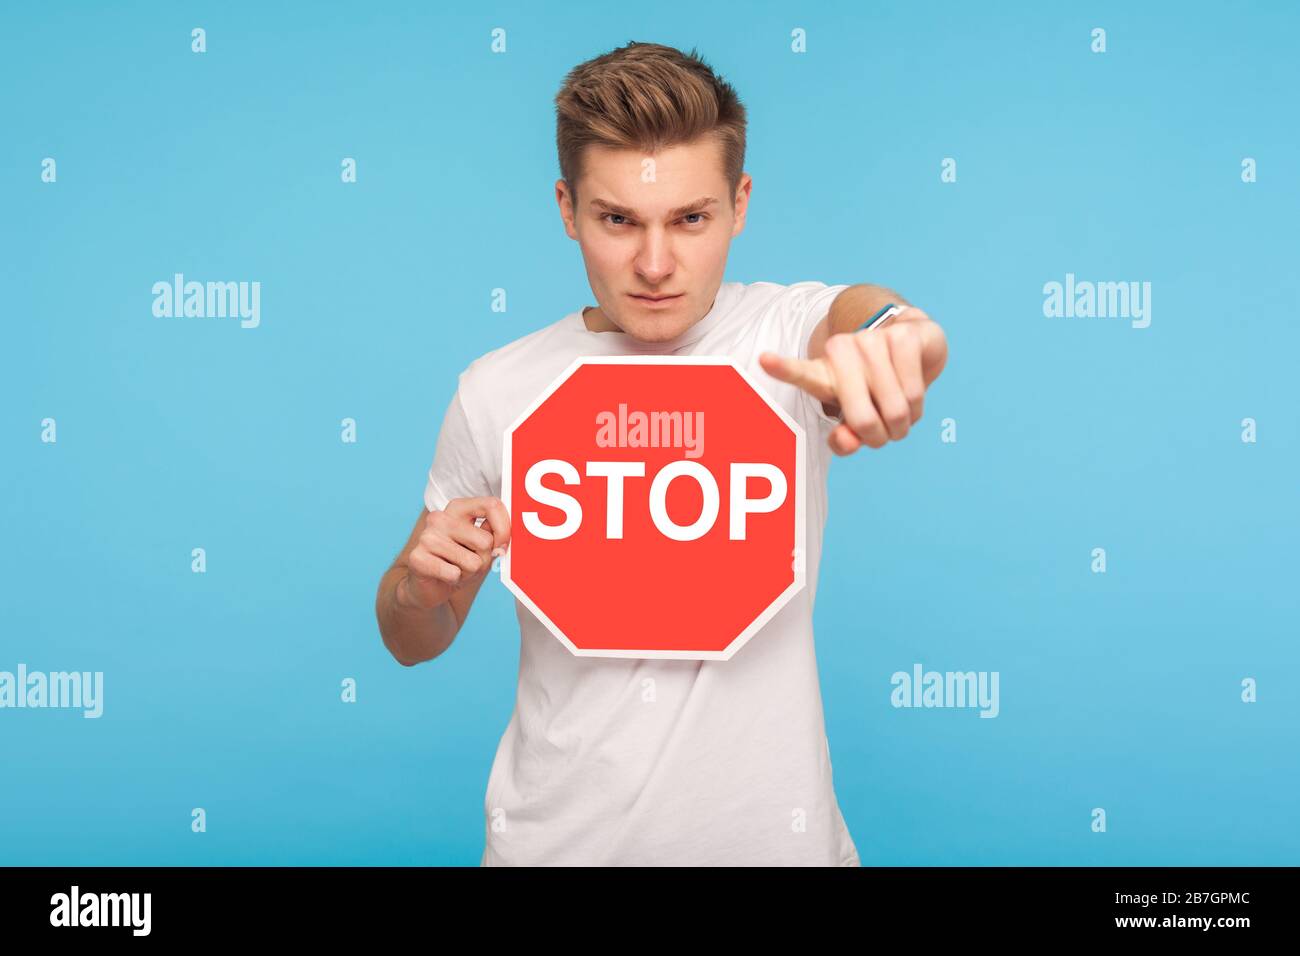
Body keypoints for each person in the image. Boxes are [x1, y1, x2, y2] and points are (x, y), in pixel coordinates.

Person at [374, 41, 947, 866]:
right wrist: (423, 585)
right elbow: (409, 634)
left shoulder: (783, 339)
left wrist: (897, 337)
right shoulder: (496, 388)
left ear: (739, 203)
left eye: (690, 218)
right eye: (618, 220)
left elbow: (864, 315)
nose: (654, 264)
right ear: (567, 209)